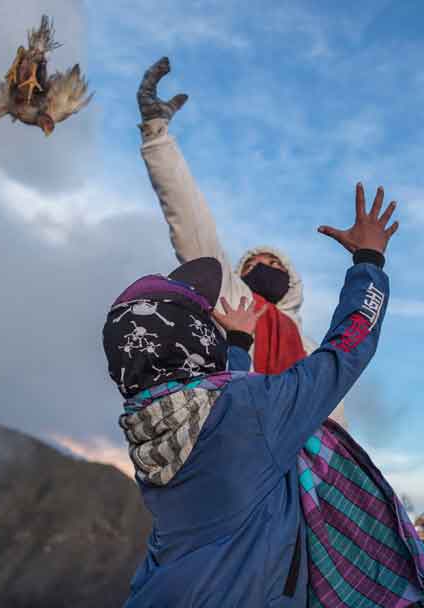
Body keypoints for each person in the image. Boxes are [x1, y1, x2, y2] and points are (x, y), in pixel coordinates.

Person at [105, 183, 398, 608]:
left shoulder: (146, 420)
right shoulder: (255, 412)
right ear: (197, 341)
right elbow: (349, 346)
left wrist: (238, 342)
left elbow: (223, 399)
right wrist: (369, 262)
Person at [136, 57, 345, 431]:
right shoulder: (230, 304)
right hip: (234, 447)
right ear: (238, 276)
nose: (267, 268)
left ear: (293, 283)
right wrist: (156, 134)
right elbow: (190, 218)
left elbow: (336, 433)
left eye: (278, 265)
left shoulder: (313, 351)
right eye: (254, 265)